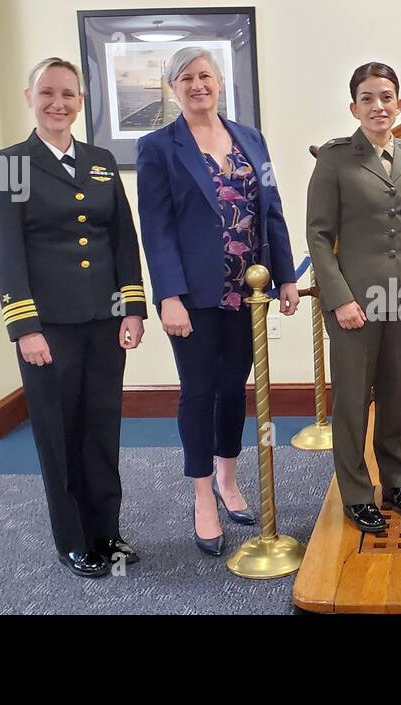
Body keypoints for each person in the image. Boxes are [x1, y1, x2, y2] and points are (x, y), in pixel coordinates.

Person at [0, 57, 147, 578]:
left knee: (102, 429)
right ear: (28, 97)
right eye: (48, 93)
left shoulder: (100, 161)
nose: (59, 103)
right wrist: (25, 327)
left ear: (81, 101)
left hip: (103, 322)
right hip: (48, 328)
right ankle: (74, 540)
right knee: (58, 432)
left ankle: (107, 531)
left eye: (69, 95)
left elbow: (123, 239)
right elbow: (5, 252)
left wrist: (132, 309)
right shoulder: (10, 163)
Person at [136, 47, 299, 556]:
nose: (197, 84)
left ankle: (229, 481)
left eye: (205, 75)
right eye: (186, 78)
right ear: (173, 87)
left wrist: (286, 276)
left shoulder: (251, 139)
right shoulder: (158, 147)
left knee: (234, 389)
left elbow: (271, 207)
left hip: (248, 292)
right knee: (199, 391)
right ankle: (202, 495)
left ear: (220, 82)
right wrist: (169, 297)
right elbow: (157, 229)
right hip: (195, 295)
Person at [306, 62, 401, 534]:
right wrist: (339, 298)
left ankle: (396, 482)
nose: (378, 106)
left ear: (399, 103)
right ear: (354, 107)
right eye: (367, 98)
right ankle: (357, 493)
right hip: (355, 302)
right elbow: (319, 237)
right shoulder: (336, 159)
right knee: (351, 401)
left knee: (395, 395)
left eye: (386, 96)